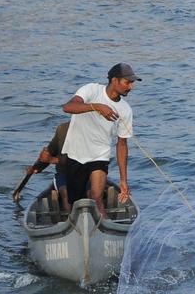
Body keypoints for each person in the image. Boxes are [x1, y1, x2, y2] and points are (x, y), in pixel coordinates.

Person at [59, 63, 140, 217]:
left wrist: (123, 180)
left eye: (132, 83)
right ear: (115, 80)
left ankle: (105, 229)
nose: (131, 87)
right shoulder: (91, 90)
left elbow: (122, 145)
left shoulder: (125, 110)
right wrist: (96, 107)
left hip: (99, 156)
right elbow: (68, 107)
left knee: (96, 197)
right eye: (127, 82)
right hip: (75, 153)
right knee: (74, 201)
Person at [12, 121, 70, 204]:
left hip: (87, 173)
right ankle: (70, 216)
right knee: (66, 192)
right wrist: (35, 168)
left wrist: (53, 160)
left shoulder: (91, 129)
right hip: (64, 174)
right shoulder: (63, 129)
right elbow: (50, 152)